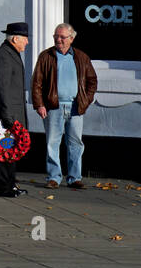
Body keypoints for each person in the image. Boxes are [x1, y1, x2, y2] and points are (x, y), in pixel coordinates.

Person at [31, 23, 98, 189]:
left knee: (75, 143)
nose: (58, 39)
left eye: (62, 37)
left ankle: (74, 178)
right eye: (56, 36)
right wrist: (39, 104)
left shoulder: (81, 57)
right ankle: (53, 177)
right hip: (53, 106)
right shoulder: (46, 56)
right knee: (52, 143)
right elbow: (36, 83)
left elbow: (92, 81)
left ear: (71, 38)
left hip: (75, 107)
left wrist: (86, 100)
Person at [0, 22, 31, 197]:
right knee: (4, 151)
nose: (27, 42)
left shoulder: (11, 53)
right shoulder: (4, 56)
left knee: (11, 150)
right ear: (15, 38)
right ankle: (3, 188)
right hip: (6, 116)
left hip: (13, 114)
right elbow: (2, 88)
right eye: (25, 39)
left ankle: (10, 185)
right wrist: (7, 116)